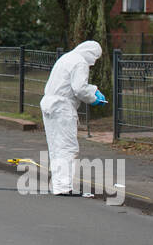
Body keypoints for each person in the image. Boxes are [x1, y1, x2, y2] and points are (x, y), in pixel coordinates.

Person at [39, 40, 106, 196]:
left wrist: (92, 90)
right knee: (68, 147)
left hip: (49, 103)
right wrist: (94, 96)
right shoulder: (80, 62)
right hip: (62, 106)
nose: (93, 62)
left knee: (55, 146)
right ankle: (64, 187)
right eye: (95, 58)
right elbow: (79, 88)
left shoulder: (67, 58)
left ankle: (58, 184)